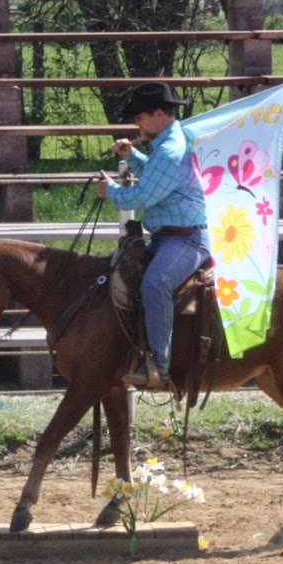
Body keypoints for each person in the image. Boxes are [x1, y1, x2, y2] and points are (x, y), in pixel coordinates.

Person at [96, 81, 210, 391]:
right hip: (171, 237)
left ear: (158, 113)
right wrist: (133, 155)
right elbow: (157, 174)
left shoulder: (171, 150)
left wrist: (112, 192)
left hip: (185, 240)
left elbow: (143, 195)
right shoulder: (169, 143)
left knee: (156, 284)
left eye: (140, 118)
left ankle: (159, 366)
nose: (137, 124)